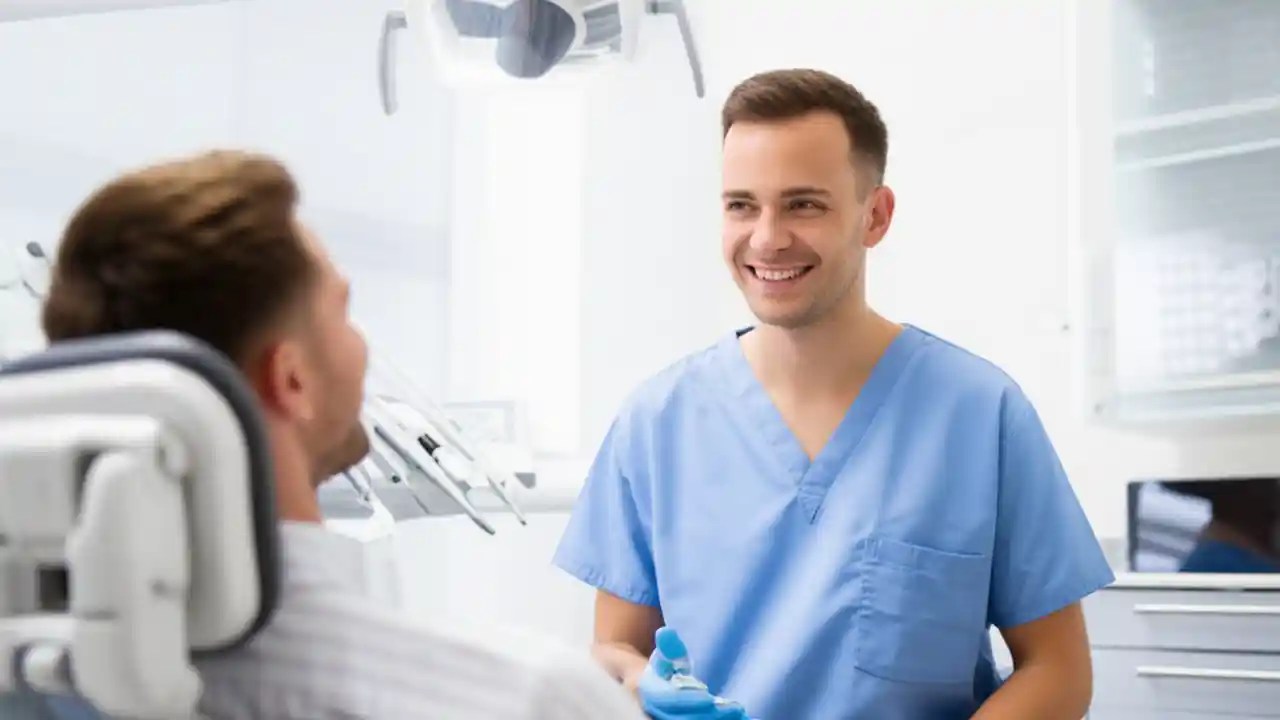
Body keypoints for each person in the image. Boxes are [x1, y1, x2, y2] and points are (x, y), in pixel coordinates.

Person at [553, 68, 1115, 719]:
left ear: (874, 216)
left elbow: (1058, 667)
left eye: (804, 204)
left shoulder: (979, 414)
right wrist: (635, 681)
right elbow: (614, 647)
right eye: (741, 204)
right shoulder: (656, 423)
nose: (766, 238)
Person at [38, 150, 644, 720]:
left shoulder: (41, 685)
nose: (361, 347)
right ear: (292, 379)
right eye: (342, 312)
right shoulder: (527, 698)